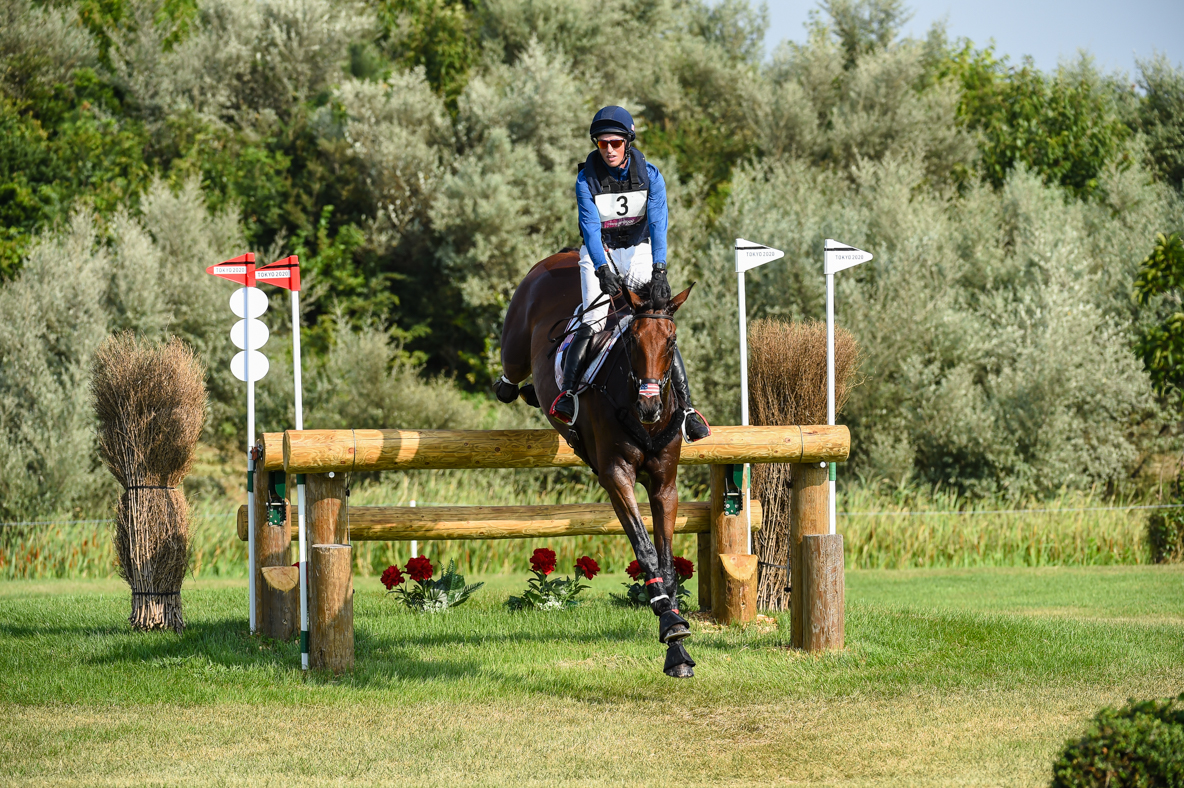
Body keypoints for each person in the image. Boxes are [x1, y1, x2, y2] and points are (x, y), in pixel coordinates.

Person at [548, 105, 711, 442]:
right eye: (602, 143)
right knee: (592, 321)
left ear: (628, 142)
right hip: (602, 250)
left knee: (657, 321)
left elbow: (659, 223)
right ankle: (569, 395)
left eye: (615, 143)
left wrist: (660, 268)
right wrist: (601, 267)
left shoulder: (650, 175)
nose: (609, 149)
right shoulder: (585, 179)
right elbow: (590, 228)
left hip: (639, 250)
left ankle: (687, 410)